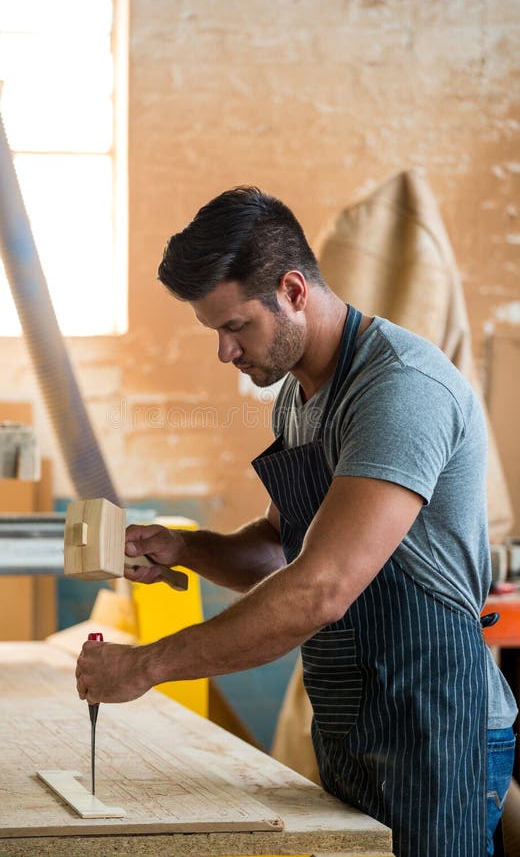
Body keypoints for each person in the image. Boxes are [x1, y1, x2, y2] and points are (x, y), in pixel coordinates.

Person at [76, 186, 517, 857]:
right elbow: (278, 552)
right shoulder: (298, 397)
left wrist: (145, 666)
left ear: (292, 290)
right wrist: (184, 547)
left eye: (235, 327)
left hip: (436, 725)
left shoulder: (399, 390)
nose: (224, 352)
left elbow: (320, 586)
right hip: (355, 718)